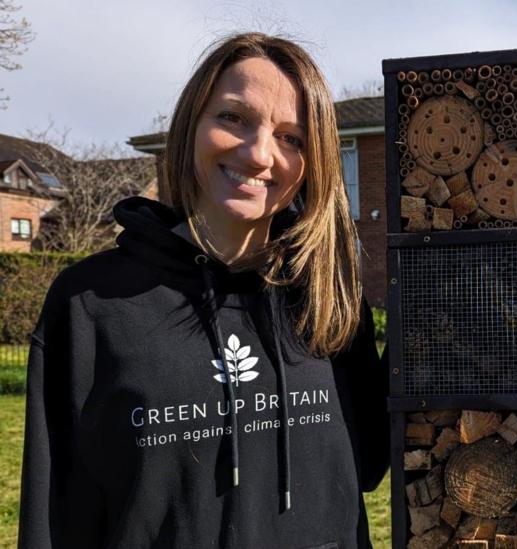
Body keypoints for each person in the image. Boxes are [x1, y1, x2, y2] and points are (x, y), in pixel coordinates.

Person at [18, 33, 389, 548]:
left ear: (312, 163)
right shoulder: (91, 304)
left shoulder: (326, 295)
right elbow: (56, 520)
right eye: (234, 117)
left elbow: (366, 465)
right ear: (192, 122)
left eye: (293, 138)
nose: (260, 154)